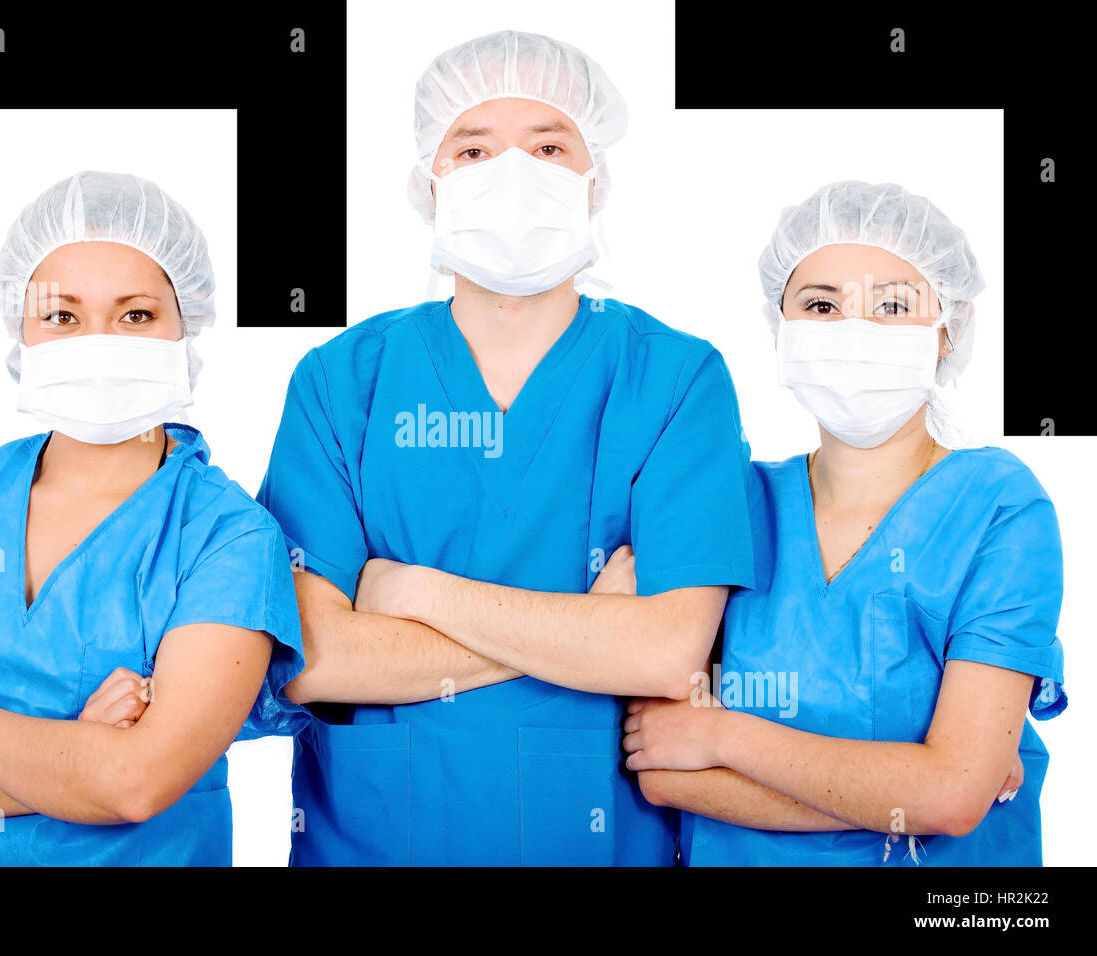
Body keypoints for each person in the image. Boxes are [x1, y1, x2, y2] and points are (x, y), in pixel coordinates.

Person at [256, 30, 754, 865]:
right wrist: (593, 629)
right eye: (475, 148)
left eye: (550, 146)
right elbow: (316, 662)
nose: (513, 175)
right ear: (429, 181)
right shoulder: (344, 381)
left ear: (595, 182)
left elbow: (667, 653)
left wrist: (412, 591)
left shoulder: (675, 379)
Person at [0, 170, 306, 866]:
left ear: (186, 326)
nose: (98, 340)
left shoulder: (226, 537)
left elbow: (134, 784)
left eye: (136, 315)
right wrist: (74, 757)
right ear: (21, 328)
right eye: (62, 315)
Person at [623, 181, 1068, 865]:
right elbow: (657, 767)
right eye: (821, 305)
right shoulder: (732, 501)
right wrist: (911, 783)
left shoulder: (997, 508)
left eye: (893, 304)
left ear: (948, 326)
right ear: (782, 325)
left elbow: (949, 797)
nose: (853, 329)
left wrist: (721, 740)